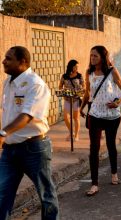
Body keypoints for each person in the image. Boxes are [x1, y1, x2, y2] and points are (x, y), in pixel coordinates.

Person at [0, 46, 59, 219]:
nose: (4, 61)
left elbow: (27, 116)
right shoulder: (7, 82)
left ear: (22, 62)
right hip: (10, 150)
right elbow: (8, 112)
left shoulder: (36, 84)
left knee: (46, 195)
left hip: (34, 148)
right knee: (2, 195)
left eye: (8, 58)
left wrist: (3, 133)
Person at [80, 45, 121, 196]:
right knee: (93, 148)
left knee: (110, 144)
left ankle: (114, 174)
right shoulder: (89, 72)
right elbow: (88, 93)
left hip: (112, 116)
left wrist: (118, 102)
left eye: (95, 56)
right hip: (95, 115)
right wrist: (81, 108)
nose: (92, 58)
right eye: (91, 55)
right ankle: (94, 184)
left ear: (102, 57)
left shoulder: (112, 71)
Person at [59, 59, 85, 141]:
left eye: (77, 66)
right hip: (67, 99)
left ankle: (76, 135)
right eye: (75, 66)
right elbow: (60, 86)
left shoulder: (79, 76)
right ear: (71, 67)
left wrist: (80, 91)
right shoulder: (64, 76)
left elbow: (84, 86)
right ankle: (71, 132)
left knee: (76, 118)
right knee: (66, 117)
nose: (77, 68)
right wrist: (63, 91)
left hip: (76, 99)